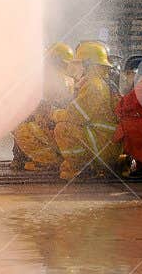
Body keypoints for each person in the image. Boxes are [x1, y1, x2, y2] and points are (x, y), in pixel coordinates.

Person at [52, 40, 124, 179]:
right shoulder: (95, 82)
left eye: (78, 64)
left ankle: (82, 168)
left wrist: (54, 114)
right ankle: (86, 166)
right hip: (105, 140)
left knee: (64, 128)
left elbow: (75, 116)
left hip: (104, 143)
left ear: (87, 65)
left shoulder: (93, 86)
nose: (75, 68)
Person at [12, 42, 74, 173]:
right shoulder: (68, 79)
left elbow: (45, 107)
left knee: (22, 130)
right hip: (63, 130)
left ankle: (50, 161)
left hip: (56, 128)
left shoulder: (55, 79)